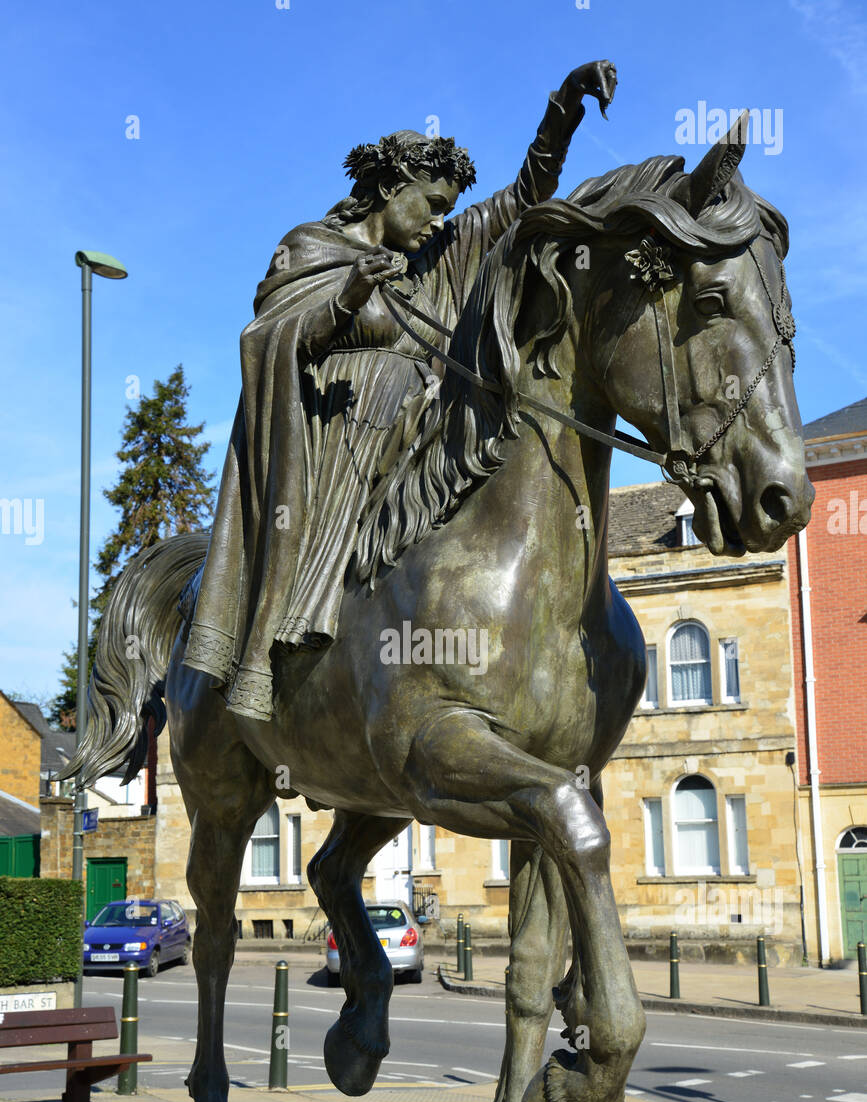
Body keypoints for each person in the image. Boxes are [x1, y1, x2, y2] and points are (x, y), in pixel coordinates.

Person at [183, 61, 618, 720]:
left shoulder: (437, 254)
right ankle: (277, 641)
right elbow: (269, 340)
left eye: (446, 209)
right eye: (430, 205)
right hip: (337, 437)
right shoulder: (307, 246)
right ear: (389, 188)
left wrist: (564, 106)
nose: (438, 221)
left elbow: (523, 196)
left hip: (422, 424)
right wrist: (350, 294)